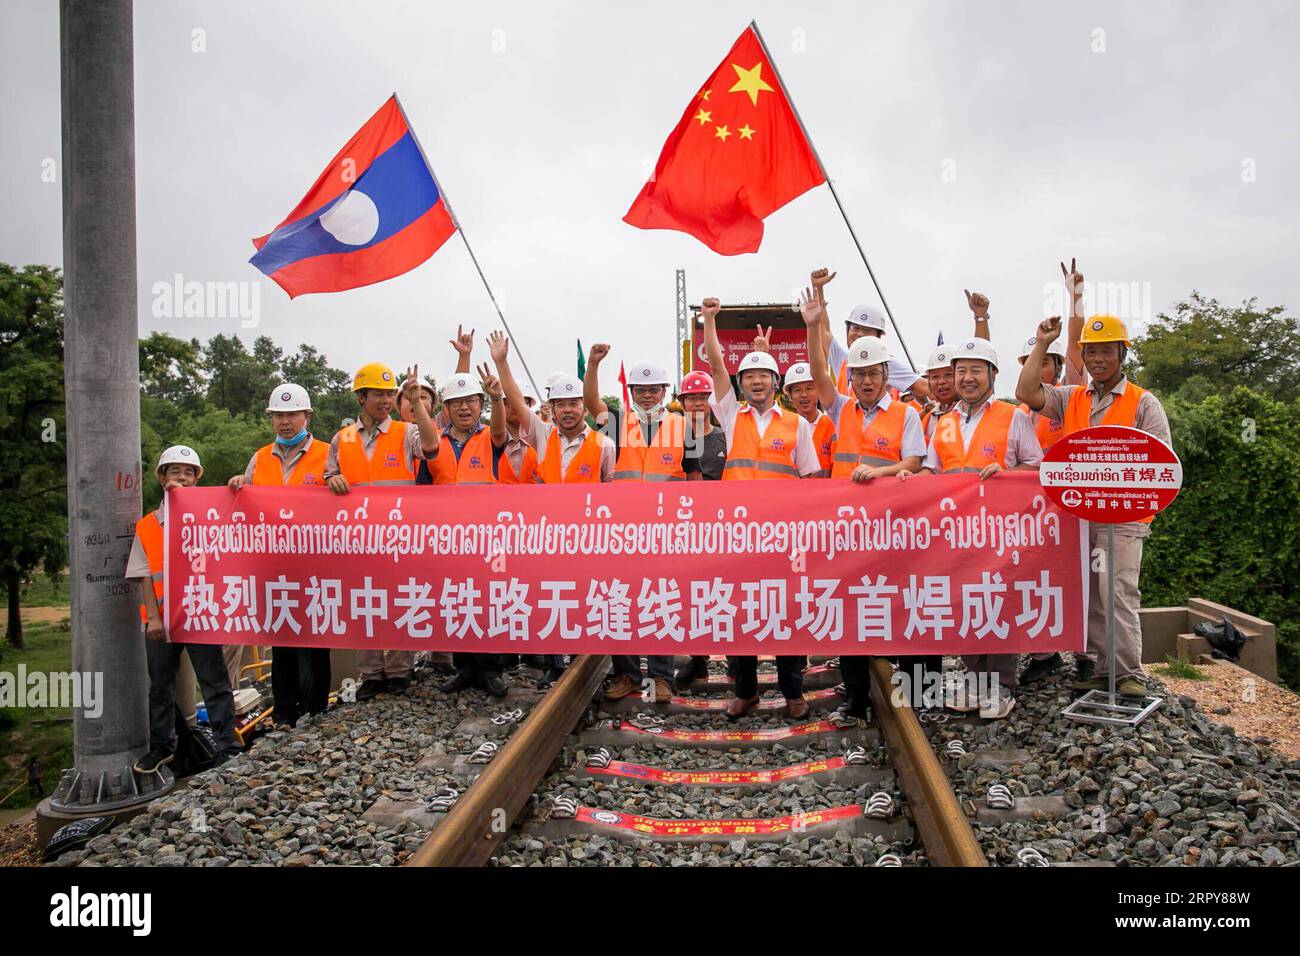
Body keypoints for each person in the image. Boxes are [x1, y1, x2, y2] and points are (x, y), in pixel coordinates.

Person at [1015, 314, 1172, 700]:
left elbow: (1162, 464)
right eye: (1091, 352)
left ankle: (1128, 674)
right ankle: (1104, 670)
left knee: (1117, 591)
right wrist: (1042, 343)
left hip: (1124, 518)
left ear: (1121, 353)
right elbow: (1027, 392)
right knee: (1091, 594)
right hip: (1079, 516)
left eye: (1106, 351)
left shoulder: (1142, 402)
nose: (1098, 359)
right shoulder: (1071, 397)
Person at [898, 339, 1043, 718]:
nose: (966, 378)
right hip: (957, 532)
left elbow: (1036, 466)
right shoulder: (944, 421)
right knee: (965, 603)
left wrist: (1008, 475)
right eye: (961, 370)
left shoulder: (1013, 417)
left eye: (976, 370)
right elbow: (933, 469)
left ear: (993, 376)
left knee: (999, 601)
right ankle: (976, 679)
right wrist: (911, 478)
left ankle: (1003, 686)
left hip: (1000, 530)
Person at [801, 288, 926, 719]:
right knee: (853, 609)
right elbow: (819, 375)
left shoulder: (906, 413)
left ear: (885, 374)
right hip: (849, 530)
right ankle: (855, 698)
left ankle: (917, 696)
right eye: (859, 374)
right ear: (850, 377)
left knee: (904, 605)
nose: (867, 381)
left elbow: (914, 459)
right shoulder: (842, 410)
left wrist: (881, 474)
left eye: (873, 373)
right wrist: (815, 325)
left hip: (893, 526)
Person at [701, 296, 821, 719]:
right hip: (738, 534)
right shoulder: (733, 417)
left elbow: (811, 481)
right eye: (748, 375)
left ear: (775, 382)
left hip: (783, 536)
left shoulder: (799, 425)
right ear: (742, 384)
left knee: (785, 610)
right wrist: (710, 321)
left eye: (762, 375)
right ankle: (746, 690)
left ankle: (793, 692)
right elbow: (717, 366)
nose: (755, 381)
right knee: (739, 612)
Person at [493, 331, 614, 684]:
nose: (567, 410)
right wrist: (502, 362)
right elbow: (515, 401)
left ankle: (581, 660)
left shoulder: (603, 444)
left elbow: (611, 495)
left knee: (581, 599)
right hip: (547, 538)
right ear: (553, 408)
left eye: (573, 403)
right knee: (550, 598)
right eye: (560, 405)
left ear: (583, 406)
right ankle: (554, 664)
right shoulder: (542, 435)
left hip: (587, 541)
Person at [324, 363, 439, 701]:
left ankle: (401, 670)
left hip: (398, 536)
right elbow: (328, 476)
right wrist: (332, 480)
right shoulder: (342, 438)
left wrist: (416, 402)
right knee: (365, 604)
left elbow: (432, 449)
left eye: (390, 394)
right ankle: (372, 673)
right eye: (379, 394)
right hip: (358, 540)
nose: (386, 400)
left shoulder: (406, 432)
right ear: (361, 397)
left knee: (400, 599)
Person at [127, 445, 240, 773]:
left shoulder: (209, 518)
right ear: (162, 478)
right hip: (161, 620)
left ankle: (227, 746)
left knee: (214, 681)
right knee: (160, 685)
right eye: (175, 471)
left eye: (189, 473)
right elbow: (143, 575)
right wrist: (153, 617)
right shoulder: (148, 525)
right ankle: (162, 746)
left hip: (200, 613)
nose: (182, 478)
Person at [228, 384, 331, 728]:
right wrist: (240, 483)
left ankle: (316, 708)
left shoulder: (327, 453)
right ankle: (286, 711)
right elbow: (248, 499)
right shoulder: (260, 458)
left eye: (292, 415)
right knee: (282, 638)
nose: (286, 422)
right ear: (271, 419)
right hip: (274, 565)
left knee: (316, 637)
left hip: (315, 562)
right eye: (279, 416)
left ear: (307, 416)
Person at [582, 344, 680, 700]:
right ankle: (627, 674)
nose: (648, 395)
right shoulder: (618, 422)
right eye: (641, 390)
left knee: (660, 599)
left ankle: (661, 676)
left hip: (666, 532)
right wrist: (593, 364)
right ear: (631, 392)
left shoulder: (682, 426)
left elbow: (696, 481)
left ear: (664, 392)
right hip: (621, 532)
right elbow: (592, 401)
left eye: (654, 389)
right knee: (619, 598)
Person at [426, 367, 513, 698]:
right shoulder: (437, 442)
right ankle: (465, 667)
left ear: (481, 405)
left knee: (489, 599)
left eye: (472, 401)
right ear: (445, 409)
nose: (465, 408)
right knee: (459, 598)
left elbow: (502, 429)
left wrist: (497, 396)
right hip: (450, 537)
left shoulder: (490, 436)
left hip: (487, 535)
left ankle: (491, 669)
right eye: (457, 403)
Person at [671, 370, 728, 691]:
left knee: (721, 592)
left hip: (718, 527)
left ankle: (736, 655)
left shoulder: (724, 437)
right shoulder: (671, 436)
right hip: (681, 528)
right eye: (692, 397)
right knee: (688, 596)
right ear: (681, 401)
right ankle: (699, 658)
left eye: (703, 398)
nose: (697, 403)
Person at [806, 268, 930, 403]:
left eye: (866, 330)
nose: (859, 334)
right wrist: (818, 288)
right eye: (855, 328)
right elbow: (824, 330)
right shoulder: (842, 360)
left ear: (878, 337)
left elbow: (922, 385)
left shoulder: (885, 363)